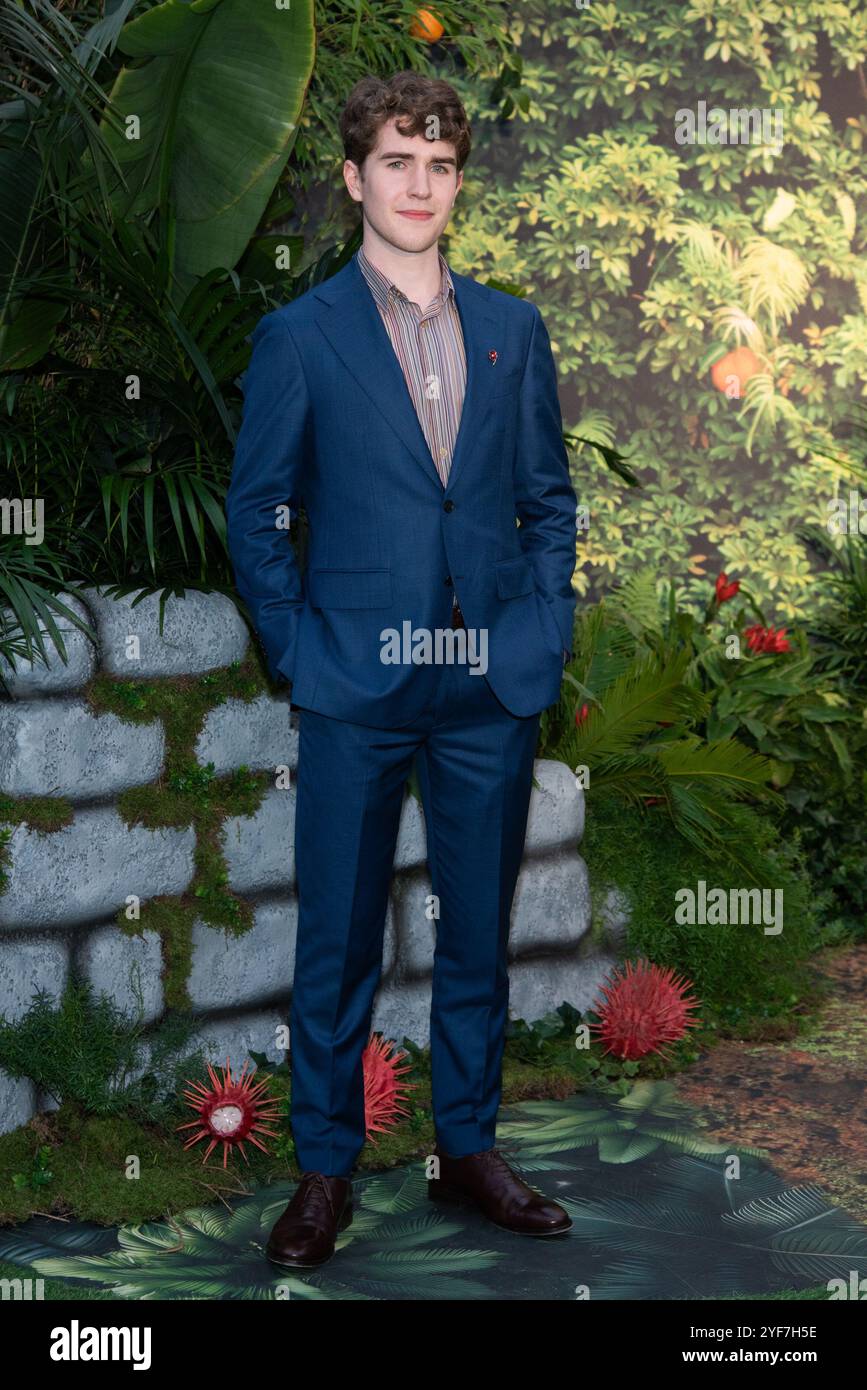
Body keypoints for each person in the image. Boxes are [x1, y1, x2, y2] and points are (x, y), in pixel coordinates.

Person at [225, 71, 578, 1269]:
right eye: (396, 162)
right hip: (354, 684)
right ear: (354, 177)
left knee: (478, 928)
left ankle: (468, 1150)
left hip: (489, 683)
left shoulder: (512, 328)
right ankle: (324, 1173)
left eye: (439, 164)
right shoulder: (301, 335)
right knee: (337, 937)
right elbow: (258, 510)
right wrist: (299, 647)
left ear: (457, 182)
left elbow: (547, 499)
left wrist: (540, 629)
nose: (418, 184)